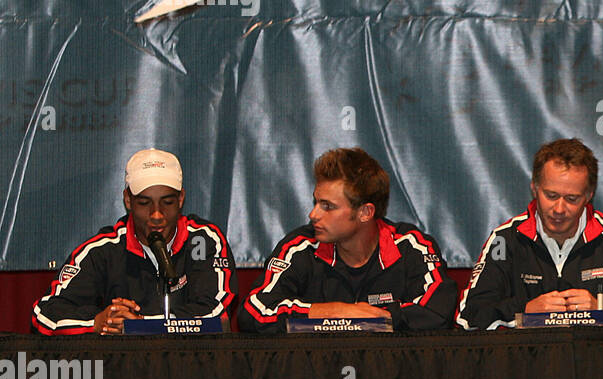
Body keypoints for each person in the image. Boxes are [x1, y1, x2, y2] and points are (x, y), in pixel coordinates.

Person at [456, 138, 603, 329]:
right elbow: (469, 317)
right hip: (528, 372)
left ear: (589, 195)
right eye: (551, 195)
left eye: (571, 199)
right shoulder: (505, 241)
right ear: (534, 189)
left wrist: (600, 310)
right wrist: (524, 313)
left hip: (599, 372)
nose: (559, 209)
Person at [240, 147, 457, 332]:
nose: (313, 214)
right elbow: (253, 311)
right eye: (315, 202)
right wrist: (335, 311)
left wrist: (376, 317)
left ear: (365, 213)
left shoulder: (410, 245)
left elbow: (438, 310)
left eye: (328, 206)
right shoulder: (301, 245)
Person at [32, 148, 236, 334]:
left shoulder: (203, 240)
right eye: (144, 203)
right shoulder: (103, 250)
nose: (157, 214)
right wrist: (99, 322)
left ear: (181, 199)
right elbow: (45, 314)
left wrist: (139, 325)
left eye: (167, 202)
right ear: (128, 200)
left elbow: (215, 315)